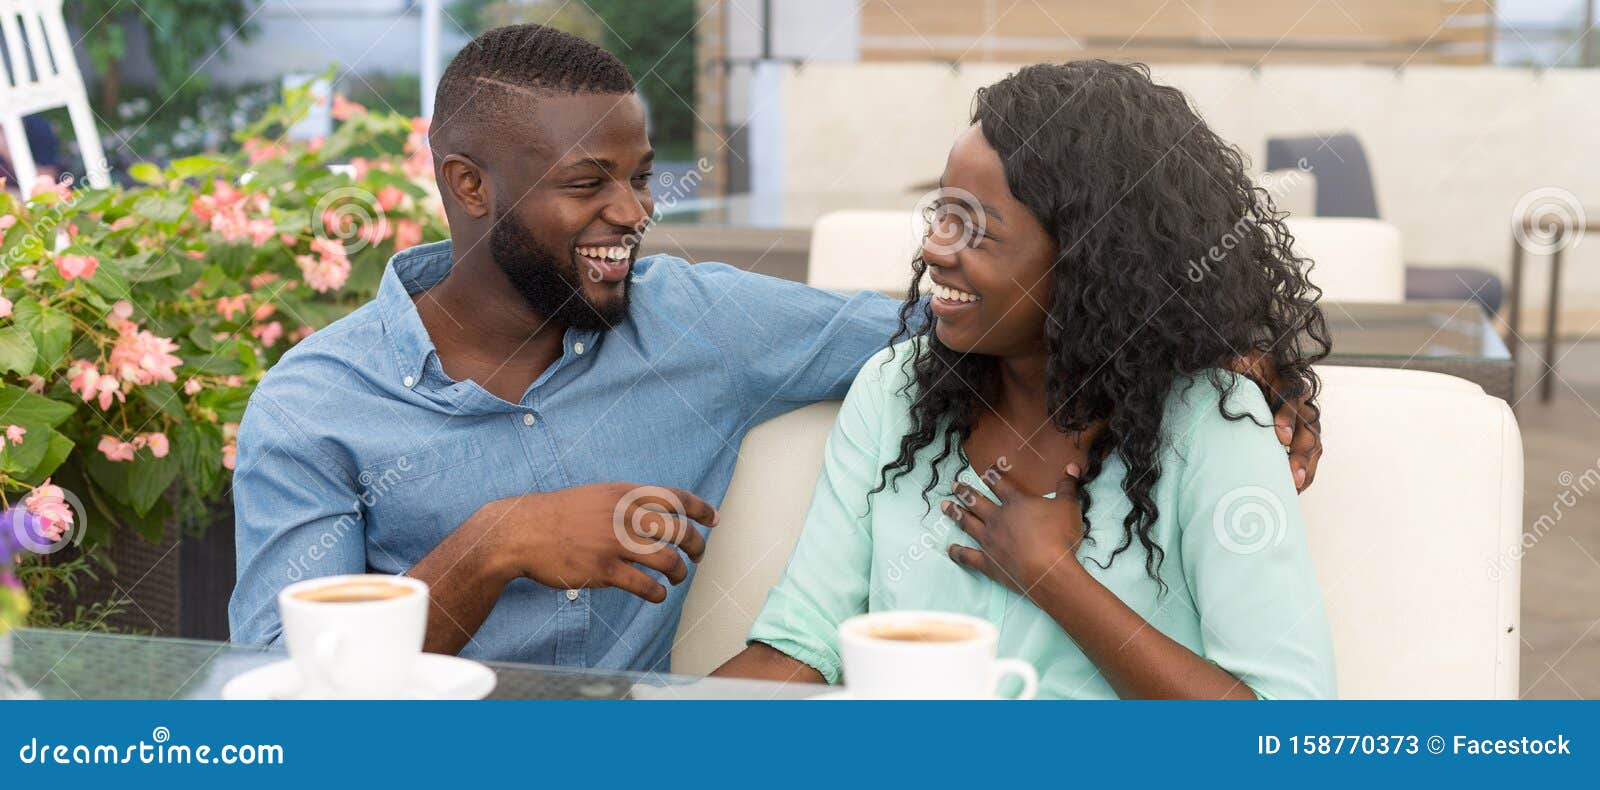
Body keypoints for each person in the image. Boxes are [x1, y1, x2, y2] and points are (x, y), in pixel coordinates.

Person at [229, 26, 1323, 673]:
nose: (631, 214)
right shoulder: (314, 407)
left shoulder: (698, 322)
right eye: (585, 185)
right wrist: (493, 545)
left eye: (641, 176)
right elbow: (290, 698)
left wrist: (1232, 347)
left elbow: (979, 313)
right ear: (466, 186)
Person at [714, 61, 1337, 699]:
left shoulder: (1211, 418)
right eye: (942, 214)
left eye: (978, 230)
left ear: (1093, 258)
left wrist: (1055, 577)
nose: (934, 248)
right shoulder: (897, 388)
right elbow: (803, 647)